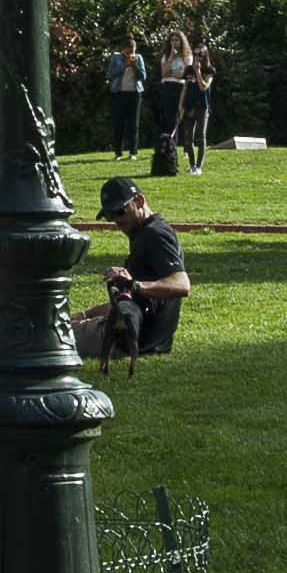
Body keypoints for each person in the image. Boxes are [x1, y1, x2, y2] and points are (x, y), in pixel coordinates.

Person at [76, 174, 192, 362]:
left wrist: (134, 284)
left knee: (46, 338)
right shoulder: (144, 233)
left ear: (139, 201)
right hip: (132, 334)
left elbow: (182, 285)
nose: (116, 221)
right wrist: (82, 315)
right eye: (110, 216)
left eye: (120, 212)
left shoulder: (155, 234)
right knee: (61, 327)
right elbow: (131, 301)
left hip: (126, 341)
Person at [153, 23, 193, 163]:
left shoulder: (187, 57)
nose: (174, 43)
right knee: (171, 119)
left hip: (182, 88)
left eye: (177, 40)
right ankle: (172, 146)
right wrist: (171, 58)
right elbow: (164, 73)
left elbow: (184, 74)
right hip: (167, 87)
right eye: (172, 40)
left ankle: (188, 148)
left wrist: (176, 73)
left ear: (182, 42)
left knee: (184, 118)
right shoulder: (166, 56)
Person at [104, 34, 147, 160]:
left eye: (133, 51)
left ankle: (133, 152)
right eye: (129, 51)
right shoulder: (116, 57)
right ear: (124, 49)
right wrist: (124, 66)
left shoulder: (139, 58)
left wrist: (134, 66)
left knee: (134, 124)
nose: (131, 54)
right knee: (118, 123)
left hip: (135, 94)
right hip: (119, 93)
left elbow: (143, 77)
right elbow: (110, 74)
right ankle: (118, 152)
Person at [182, 36, 215, 171]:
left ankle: (199, 167)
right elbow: (185, 88)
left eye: (200, 54)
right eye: (195, 54)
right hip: (189, 106)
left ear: (205, 55)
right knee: (188, 139)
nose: (197, 57)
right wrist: (180, 106)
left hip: (202, 106)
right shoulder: (188, 70)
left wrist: (198, 71)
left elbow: (203, 87)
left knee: (201, 137)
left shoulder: (210, 70)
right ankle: (191, 165)